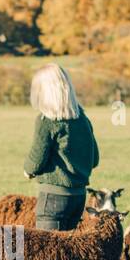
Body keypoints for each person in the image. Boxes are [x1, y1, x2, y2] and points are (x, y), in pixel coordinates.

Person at [23, 63, 98, 230]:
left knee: (49, 253)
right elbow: (94, 160)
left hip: (53, 197)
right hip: (79, 198)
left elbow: (36, 160)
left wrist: (27, 170)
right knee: (68, 253)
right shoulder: (82, 120)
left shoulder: (47, 122)